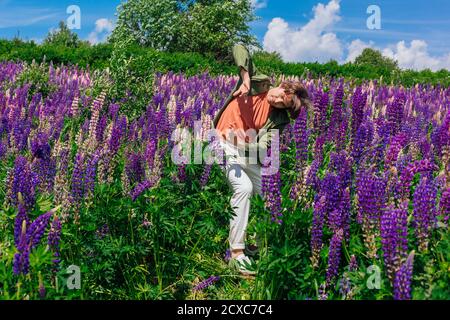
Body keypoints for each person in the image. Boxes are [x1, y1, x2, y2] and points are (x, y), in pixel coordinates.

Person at [212, 44, 313, 276]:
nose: (278, 102)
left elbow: (262, 146)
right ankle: (237, 252)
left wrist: (242, 144)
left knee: (269, 193)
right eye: (283, 97)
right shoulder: (259, 82)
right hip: (220, 142)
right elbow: (238, 47)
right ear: (283, 86)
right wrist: (245, 78)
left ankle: (259, 242)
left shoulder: (278, 119)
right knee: (244, 188)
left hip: (243, 149)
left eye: (284, 105)